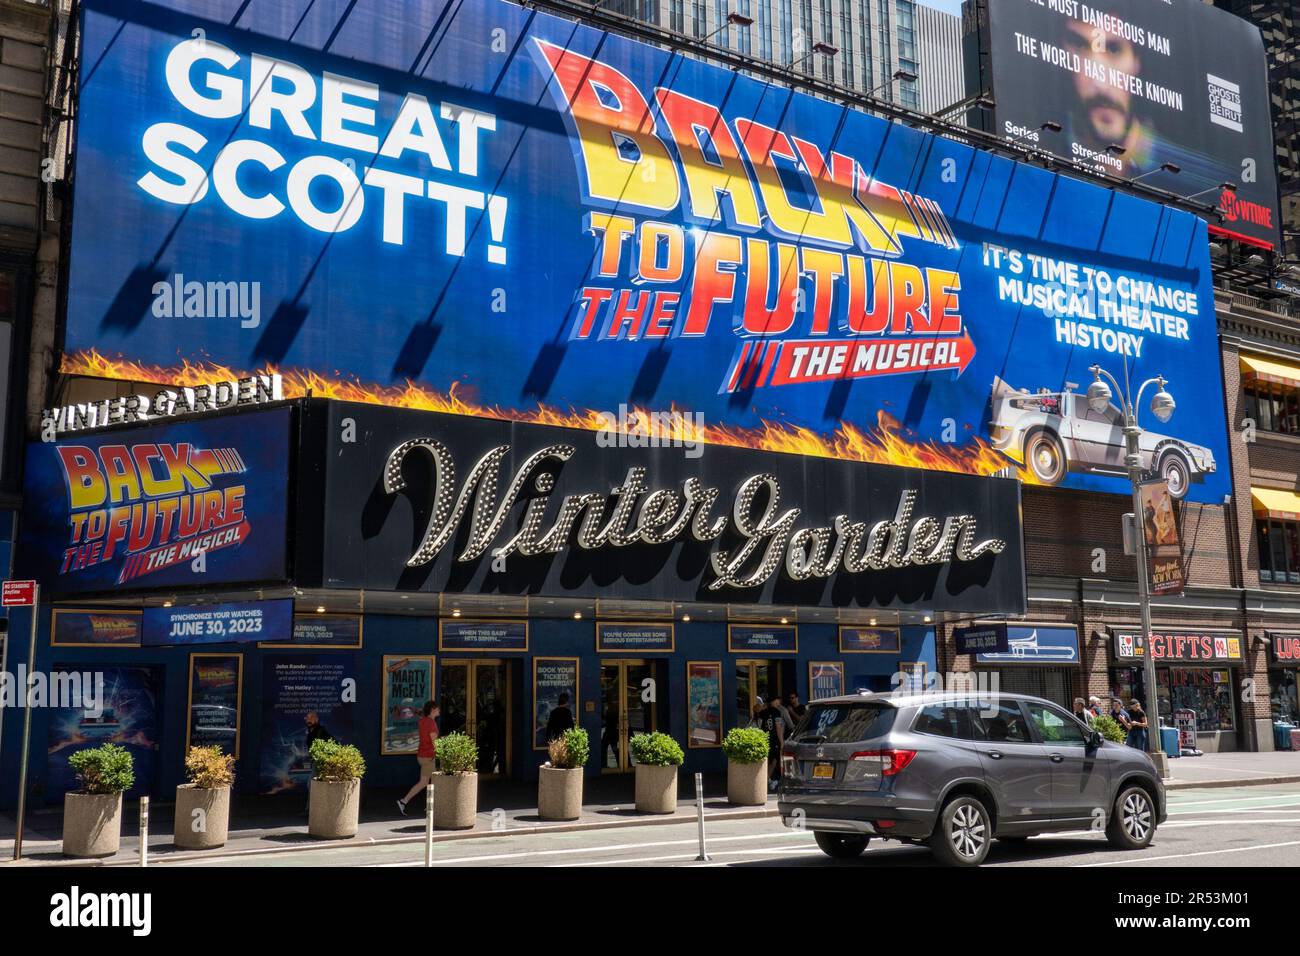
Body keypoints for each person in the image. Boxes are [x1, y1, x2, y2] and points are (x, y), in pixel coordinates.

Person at [397, 701, 439, 816]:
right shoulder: (431, 723)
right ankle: (404, 801)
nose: (439, 710)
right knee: (426, 782)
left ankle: (430, 806)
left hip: (421, 755)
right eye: (437, 708)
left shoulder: (422, 721)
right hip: (428, 756)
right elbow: (435, 742)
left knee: (431, 782)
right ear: (433, 709)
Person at [755, 696, 785, 791]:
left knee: (767, 760)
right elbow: (778, 727)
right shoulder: (776, 712)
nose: (778, 703)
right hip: (774, 740)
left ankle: (765, 780)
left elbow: (759, 726)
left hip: (764, 739)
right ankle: (766, 780)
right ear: (772, 701)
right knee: (775, 760)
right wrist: (782, 742)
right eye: (777, 701)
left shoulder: (762, 713)